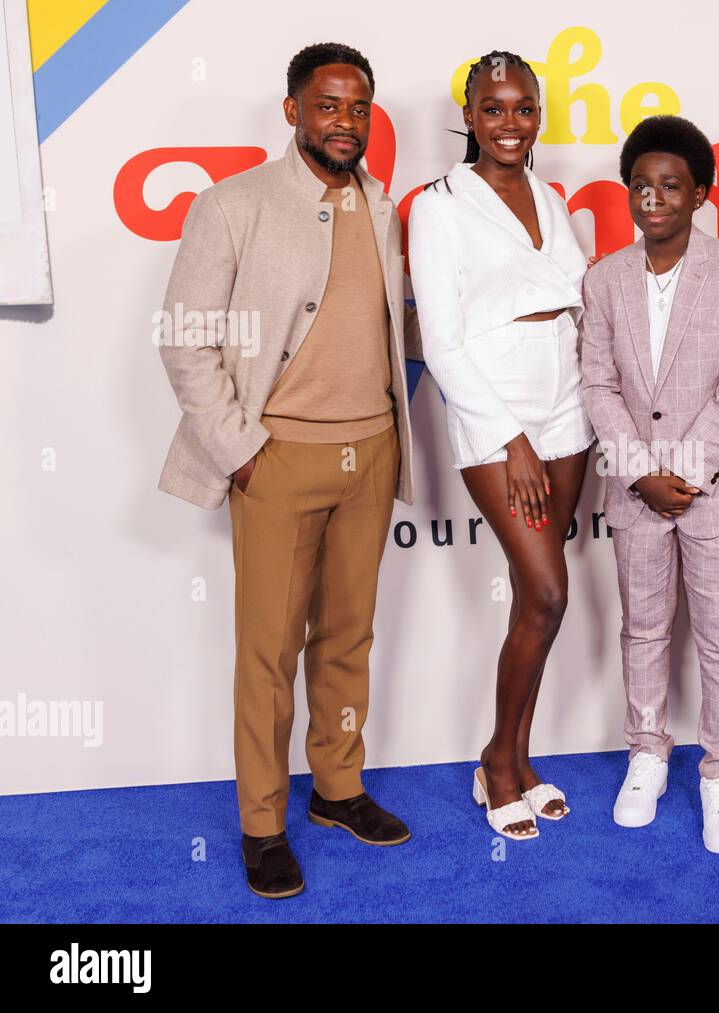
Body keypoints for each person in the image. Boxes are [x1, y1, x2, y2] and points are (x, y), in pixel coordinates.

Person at [157, 43, 420, 899]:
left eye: (358, 107)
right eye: (328, 105)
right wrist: (240, 447)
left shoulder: (383, 208)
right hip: (276, 457)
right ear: (293, 112)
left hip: (372, 450)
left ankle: (337, 790)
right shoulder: (232, 205)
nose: (346, 121)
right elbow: (185, 335)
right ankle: (263, 822)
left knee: (348, 639)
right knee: (268, 652)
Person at [407, 51, 593, 841]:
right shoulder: (439, 205)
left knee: (532, 594)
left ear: (538, 113)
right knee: (549, 592)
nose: (510, 123)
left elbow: (575, 305)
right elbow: (442, 340)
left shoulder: (552, 197)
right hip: (498, 409)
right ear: (469, 115)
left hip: (569, 399)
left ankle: (513, 761)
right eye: (493, 108)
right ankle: (496, 751)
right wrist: (510, 437)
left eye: (524, 108)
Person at [580, 115, 719, 854]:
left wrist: (682, 474)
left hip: (714, 491)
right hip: (636, 494)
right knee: (644, 627)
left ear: (699, 194)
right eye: (641, 185)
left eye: (670, 186)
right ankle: (647, 753)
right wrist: (640, 473)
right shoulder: (603, 279)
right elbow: (598, 384)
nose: (653, 198)